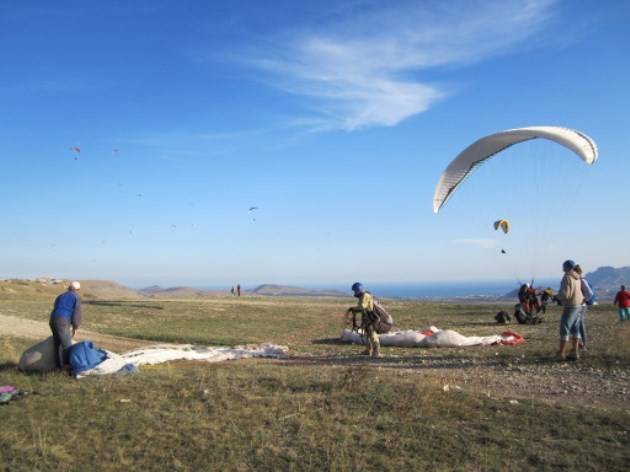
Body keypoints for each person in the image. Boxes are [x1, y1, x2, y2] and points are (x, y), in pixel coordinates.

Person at [49, 281, 82, 369]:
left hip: (52, 319)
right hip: (62, 321)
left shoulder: (60, 296)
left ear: (69, 288)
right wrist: (75, 327)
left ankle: (57, 366)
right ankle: (66, 369)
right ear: (78, 289)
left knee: (57, 344)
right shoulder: (76, 296)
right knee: (67, 346)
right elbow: (77, 313)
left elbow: (57, 307)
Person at [346, 282, 381, 357]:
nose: (354, 293)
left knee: (372, 334)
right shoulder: (363, 296)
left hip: (370, 317)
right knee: (367, 334)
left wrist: (353, 308)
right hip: (366, 317)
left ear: (359, 290)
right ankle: (368, 350)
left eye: (355, 291)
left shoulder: (365, 296)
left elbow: (362, 307)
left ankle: (376, 352)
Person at [557, 260, 582, 361]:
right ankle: (574, 352)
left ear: (566, 267)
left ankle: (561, 353)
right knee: (575, 329)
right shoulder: (577, 276)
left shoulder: (567, 277)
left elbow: (565, 295)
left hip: (570, 306)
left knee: (564, 329)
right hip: (578, 305)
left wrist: (556, 296)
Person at [574, 265, 594, 350]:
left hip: (581, 306)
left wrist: (583, 300)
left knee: (580, 324)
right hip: (578, 306)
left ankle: (583, 344)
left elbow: (589, 293)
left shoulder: (582, 281)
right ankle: (580, 344)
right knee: (577, 324)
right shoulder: (577, 281)